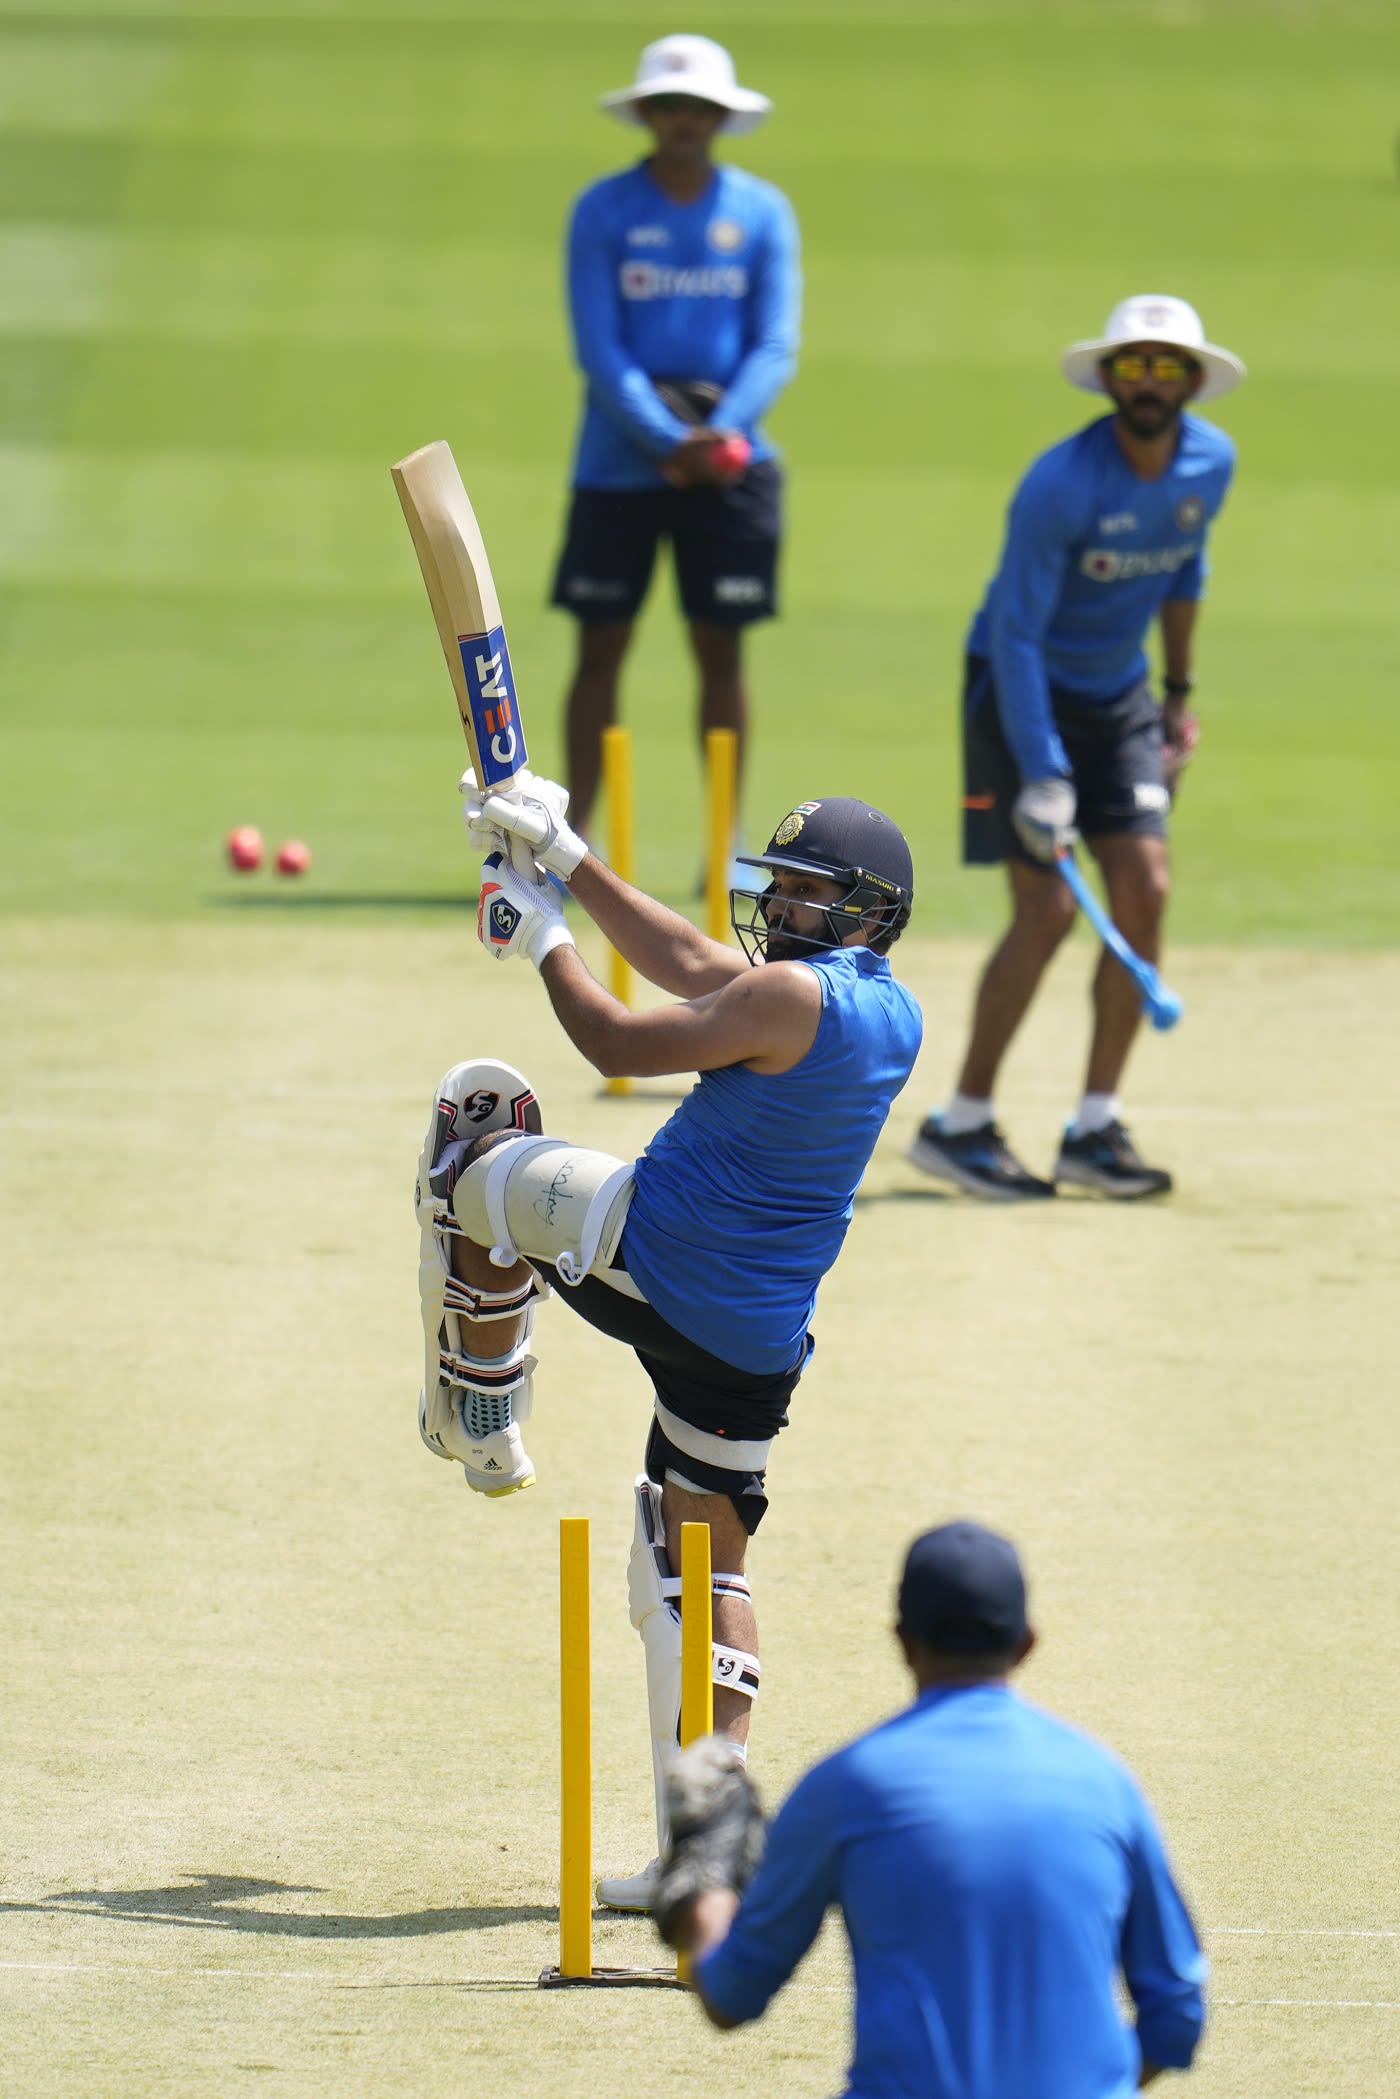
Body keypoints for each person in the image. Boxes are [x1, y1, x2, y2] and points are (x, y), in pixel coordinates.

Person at [414, 773, 920, 1909]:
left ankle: (481, 1390)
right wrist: (568, 855)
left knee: (470, 1153)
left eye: (807, 893)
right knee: (698, 1552)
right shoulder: (881, 1007)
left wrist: (541, 930)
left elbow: (612, 1037)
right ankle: (708, 1837)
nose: (781, 905)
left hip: (647, 1253)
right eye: (778, 887)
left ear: (865, 910)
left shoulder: (791, 1000)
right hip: (750, 1341)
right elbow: (696, 957)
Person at [659, 1520, 1207, 2098]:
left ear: (902, 1640)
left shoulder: (843, 1787)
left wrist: (706, 1890)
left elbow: (731, 1995)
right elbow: (1177, 2016)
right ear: (1026, 1643)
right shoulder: (1106, 1783)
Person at [908, 294, 1245, 1200]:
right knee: (1049, 913)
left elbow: (1186, 569)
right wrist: (1045, 772)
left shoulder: (1211, 463)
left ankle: (1095, 1127)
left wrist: (1177, 694)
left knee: (1146, 891)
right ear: (1106, 378)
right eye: (1131, 365)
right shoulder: (1059, 484)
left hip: (1121, 696)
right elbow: (1016, 633)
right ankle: (961, 1122)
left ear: (1191, 383)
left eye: (1166, 368)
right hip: (1017, 693)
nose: (1147, 383)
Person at [550, 33, 801, 843]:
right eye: (669, 105)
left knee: (721, 653)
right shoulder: (603, 209)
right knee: (599, 650)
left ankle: (723, 846)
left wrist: (719, 435)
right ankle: (572, 836)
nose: (684, 119)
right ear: (648, 114)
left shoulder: (762, 212)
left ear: (720, 117)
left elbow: (774, 345)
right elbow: (600, 350)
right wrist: (665, 440)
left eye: (699, 107)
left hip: (730, 471)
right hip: (621, 465)